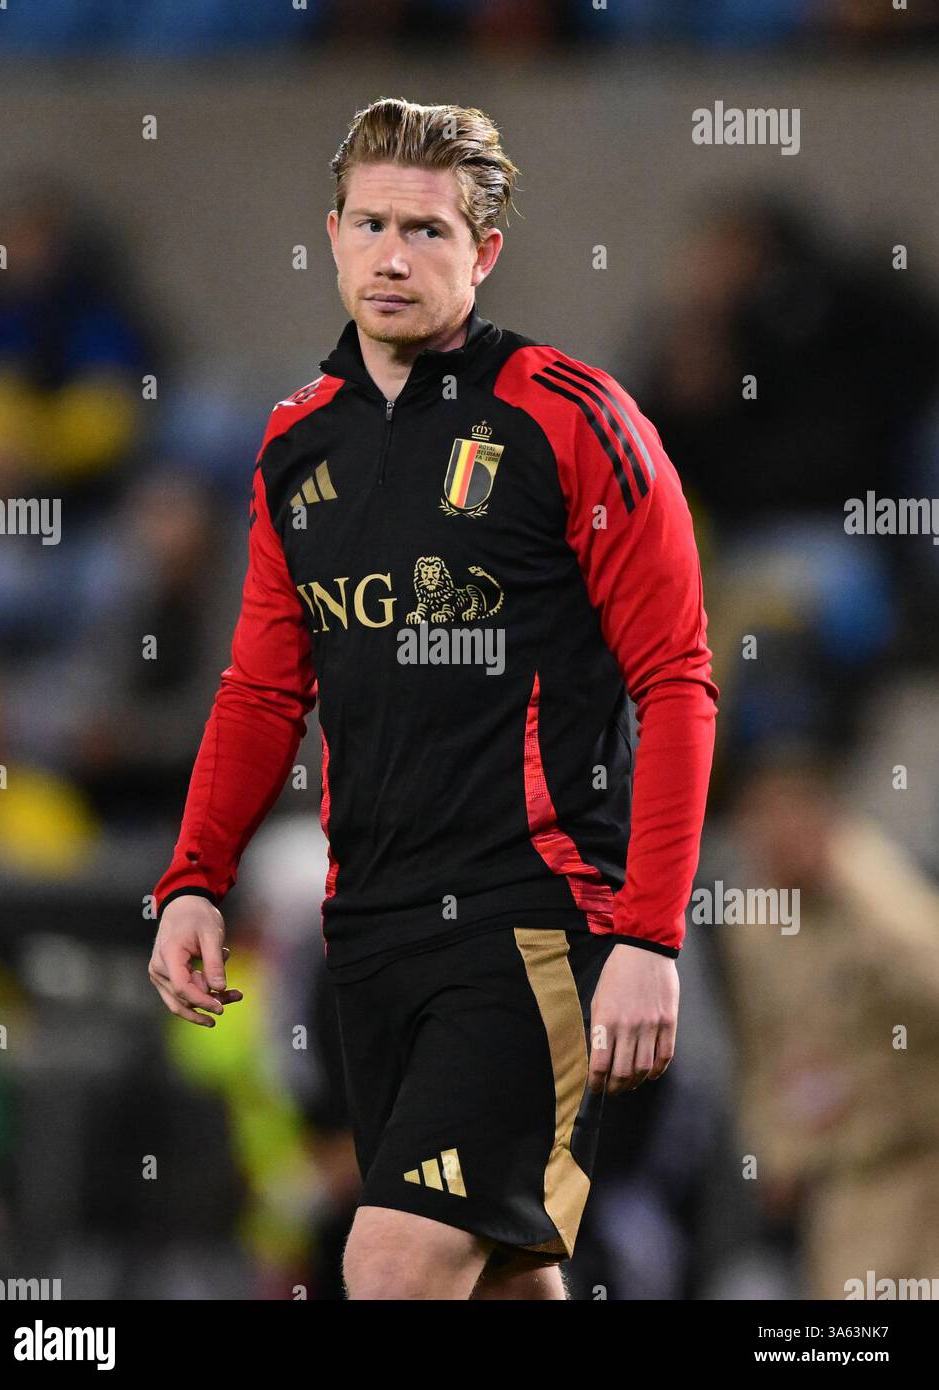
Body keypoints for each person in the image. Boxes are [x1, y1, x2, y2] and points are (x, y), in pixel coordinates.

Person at [147, 97, 719, 1301]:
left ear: (485, 251)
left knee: (391, 1262)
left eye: (428, 229)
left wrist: (649, 937)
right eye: (370, 224)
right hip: (371, 924)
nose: (394, 256)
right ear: (333, 233)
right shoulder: (297, 445)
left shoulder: (575, 419)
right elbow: (260, 689)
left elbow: (677, 681)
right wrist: (196, 875)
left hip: (532, 917)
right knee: (502, 1278)